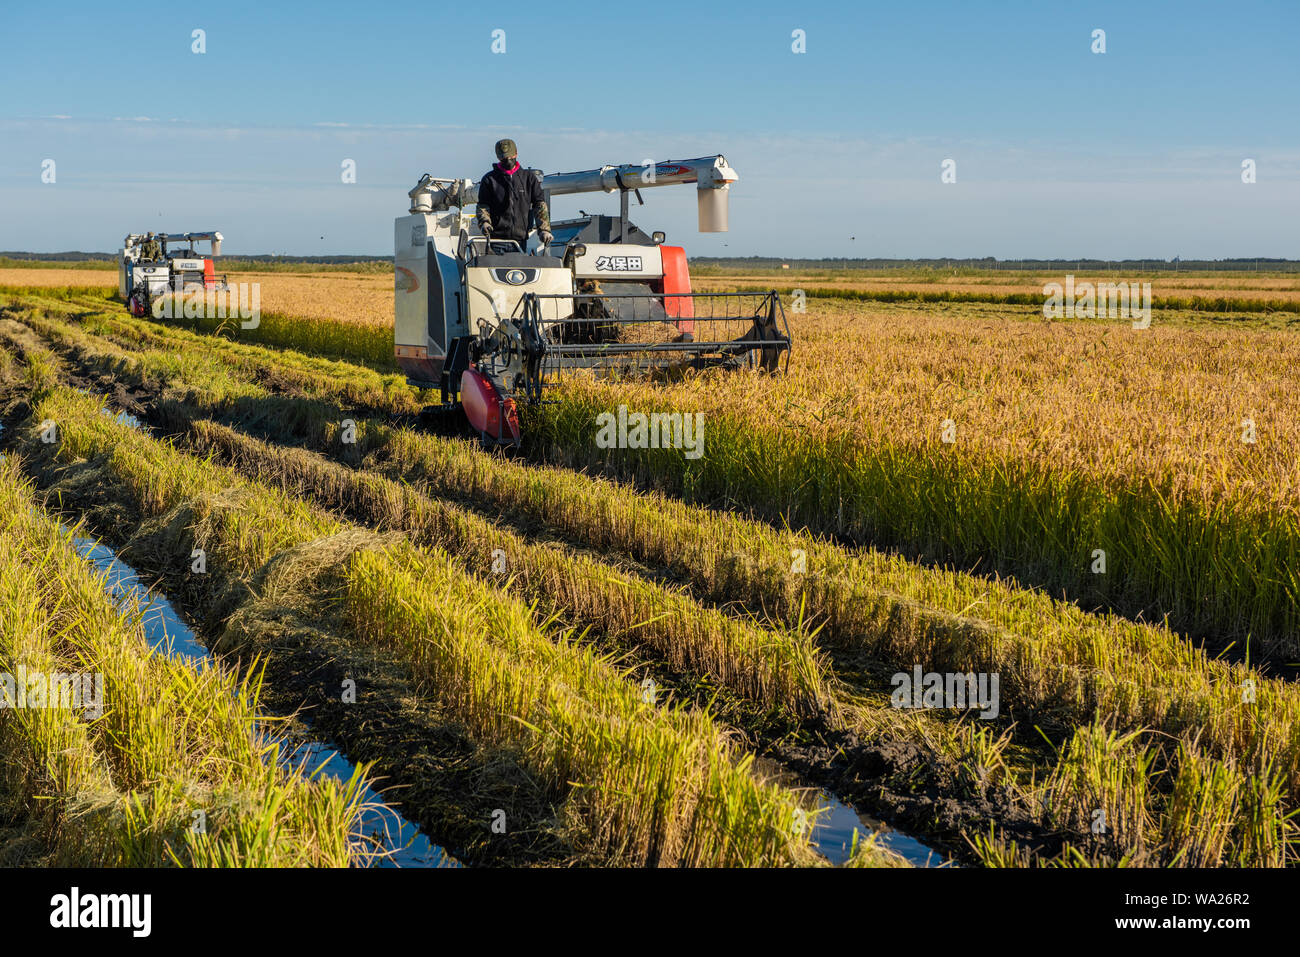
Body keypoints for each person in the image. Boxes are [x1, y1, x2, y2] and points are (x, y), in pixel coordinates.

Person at [476, 139, 551, 249]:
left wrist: (544, 230)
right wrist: (485, 223)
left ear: (516, 154)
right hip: (496, 241)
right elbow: (483, 205)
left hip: (520, 241)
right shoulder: (489, 179)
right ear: (498, 157)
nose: (508, 160)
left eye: (510, 157)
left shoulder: (528, 178)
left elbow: (539, 205)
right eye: (504, 158)